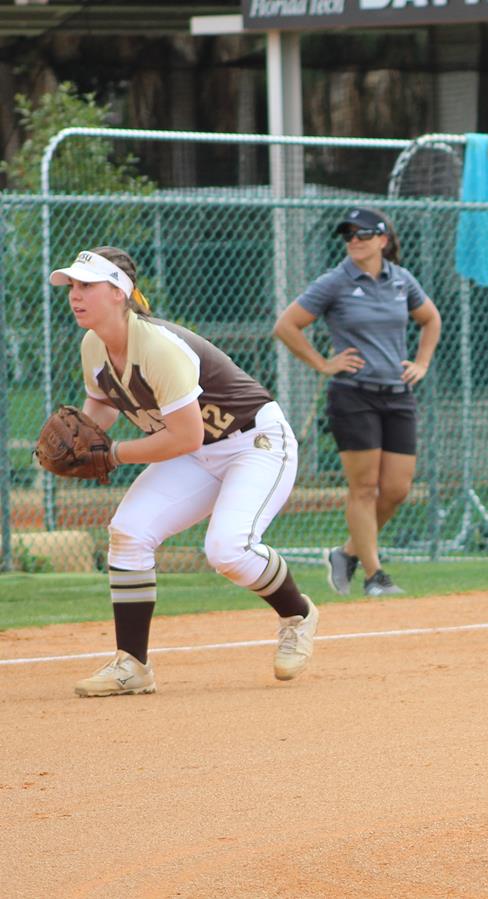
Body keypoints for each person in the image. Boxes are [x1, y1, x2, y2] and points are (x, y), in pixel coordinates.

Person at [51, 247, 318, 697]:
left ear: (119, 292)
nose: (75, 295)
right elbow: (103, 402)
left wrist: (111, 454)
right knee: (130, 532)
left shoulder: (158, 347)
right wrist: (79, 437)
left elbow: (185, 438)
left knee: (228, 551)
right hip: (196, 453)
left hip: (254, 443)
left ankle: (298, 614)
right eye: (72, 286)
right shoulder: (94, 344)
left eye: (87, 285)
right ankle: (132, 665)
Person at [273, 208, 441, 598]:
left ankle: (347, 552)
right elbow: (286, 325)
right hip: (354, 395)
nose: (354, 241)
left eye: (362, 234)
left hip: (397, 394)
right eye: (348, 235)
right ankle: (374, 575)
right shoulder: (335, 281)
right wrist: (323, 364)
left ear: (383, 240)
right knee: (364, 489)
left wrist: (422, 363)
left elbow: (430, 319)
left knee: (397, 489)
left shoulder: (401, 280)